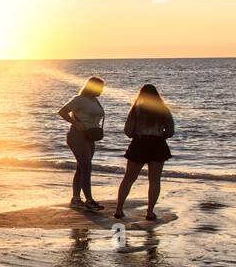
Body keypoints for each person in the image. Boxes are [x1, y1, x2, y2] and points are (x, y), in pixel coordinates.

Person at [114, 84, 175, 222]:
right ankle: (150, 212)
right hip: (157, 144)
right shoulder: (163, 109)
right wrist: (160, 135)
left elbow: (128, 132)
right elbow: (170, 131)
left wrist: (138, 133)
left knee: (128, 178)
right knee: (154, 180)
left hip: (139, 144)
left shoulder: (136, 110)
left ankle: (118, 210)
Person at [58, 76, 106, 211]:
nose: (102, 89)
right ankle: (89, 200)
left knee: (81, 168)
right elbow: (62, 112)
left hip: (90, 136)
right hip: (77, 136)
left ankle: (76, 198)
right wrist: (76, 123)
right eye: (100, 87)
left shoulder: (94, 100)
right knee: (86, 168)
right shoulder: (79, 99)